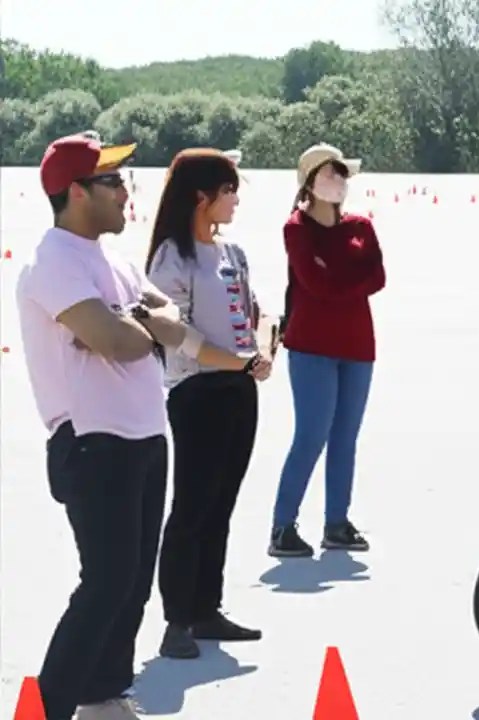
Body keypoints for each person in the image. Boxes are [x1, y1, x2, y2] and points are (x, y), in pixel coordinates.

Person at [14, 135, 226, 720]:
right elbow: (117, 341)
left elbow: (171, 322)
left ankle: (102, 697)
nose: (125, 190)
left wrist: (136, 321)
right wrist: (136, 325)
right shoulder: (51, 262)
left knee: (132, 584)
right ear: (76, 192)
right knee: (104, 583)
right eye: (112, 181)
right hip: (92, 442)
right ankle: (47, 707)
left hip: (145, 435)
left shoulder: (118, 263)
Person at [144, 148, 273, 658]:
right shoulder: (171, 258)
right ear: (202, 196)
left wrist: (260, 352)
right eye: (228, 190)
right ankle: (177, 619)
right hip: (197, 392)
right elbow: (176, 334)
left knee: (222, 503)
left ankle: (206, 608)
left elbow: (253, 309)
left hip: (238, 387)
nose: (236, 200)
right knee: (193, 505)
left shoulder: (231, 251)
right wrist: (232, 361)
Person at [269, 143, 385, 558]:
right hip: (311, 346)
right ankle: (282, 526)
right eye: (328, 175)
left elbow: (378, 277)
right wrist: (346, 280)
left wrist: (335, 277)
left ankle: (337, 523)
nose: (338, 182)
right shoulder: (296, 228)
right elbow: (315, 284)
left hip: (357, 345)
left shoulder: (361, 226)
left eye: (341, 174)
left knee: (345, 438)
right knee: (311, 435)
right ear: (309, 184)